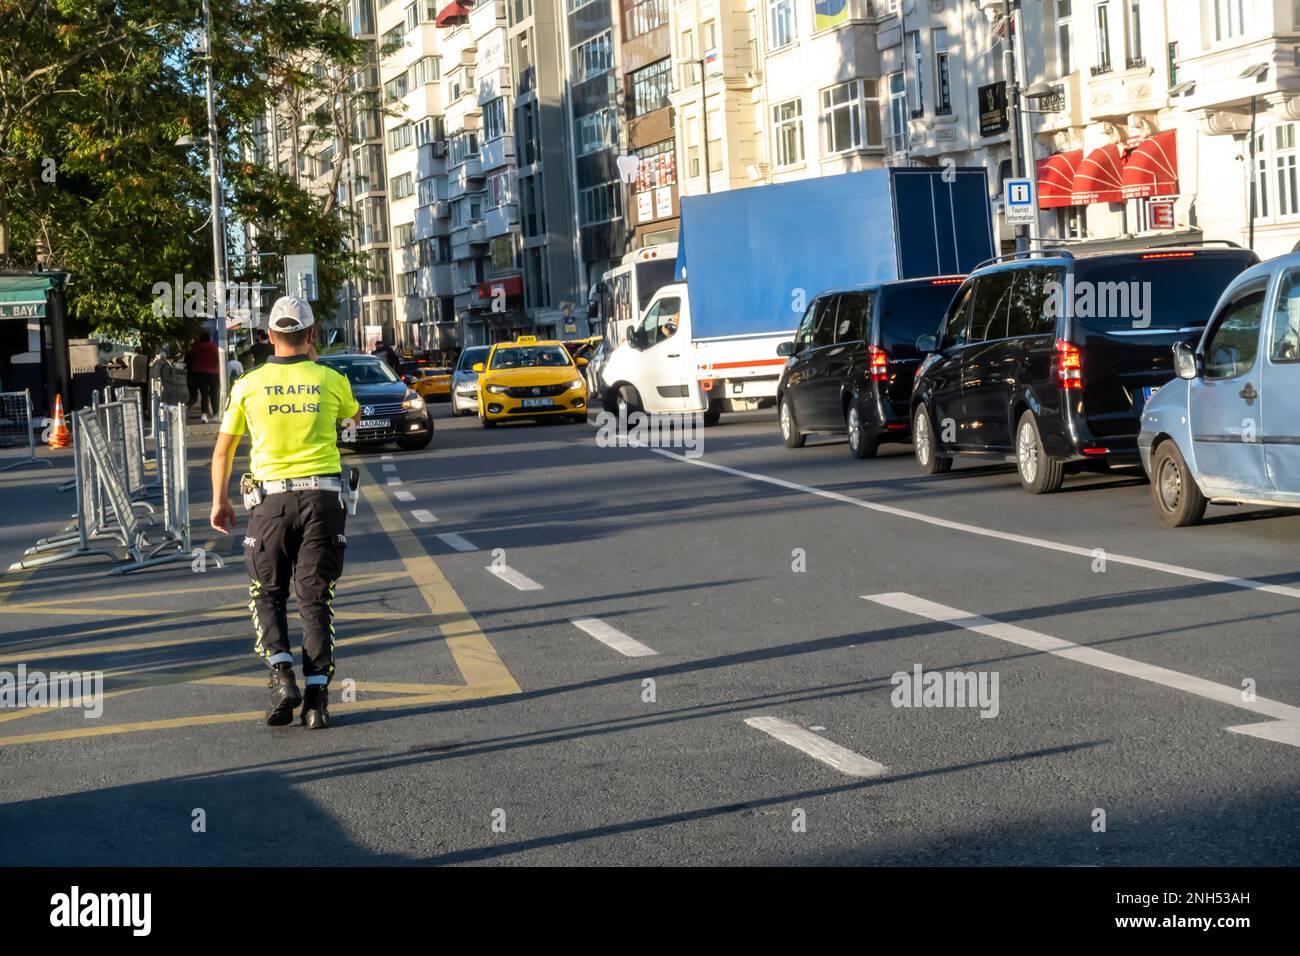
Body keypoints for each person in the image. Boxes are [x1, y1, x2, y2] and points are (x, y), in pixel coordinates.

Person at [209, 295, 361, 729]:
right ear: (312, 335)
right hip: (324, 501)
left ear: (268, 336)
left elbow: (223, 451)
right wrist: (314, 368)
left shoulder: (248, 385)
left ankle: (281, 676)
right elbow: (353, 420)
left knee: (267, 591)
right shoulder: (331, 379)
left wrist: (220, 501)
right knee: (315, 598)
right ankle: (317, 698)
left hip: (270, 503)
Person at [186, 330, 221, 423]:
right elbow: (218, 360)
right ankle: (215, 414)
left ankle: (204, 415)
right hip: (213, 373)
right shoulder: (214, 348)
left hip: (199, 373)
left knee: (204, 395)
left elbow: (189, 359)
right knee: (214, 394)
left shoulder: (196, 348)